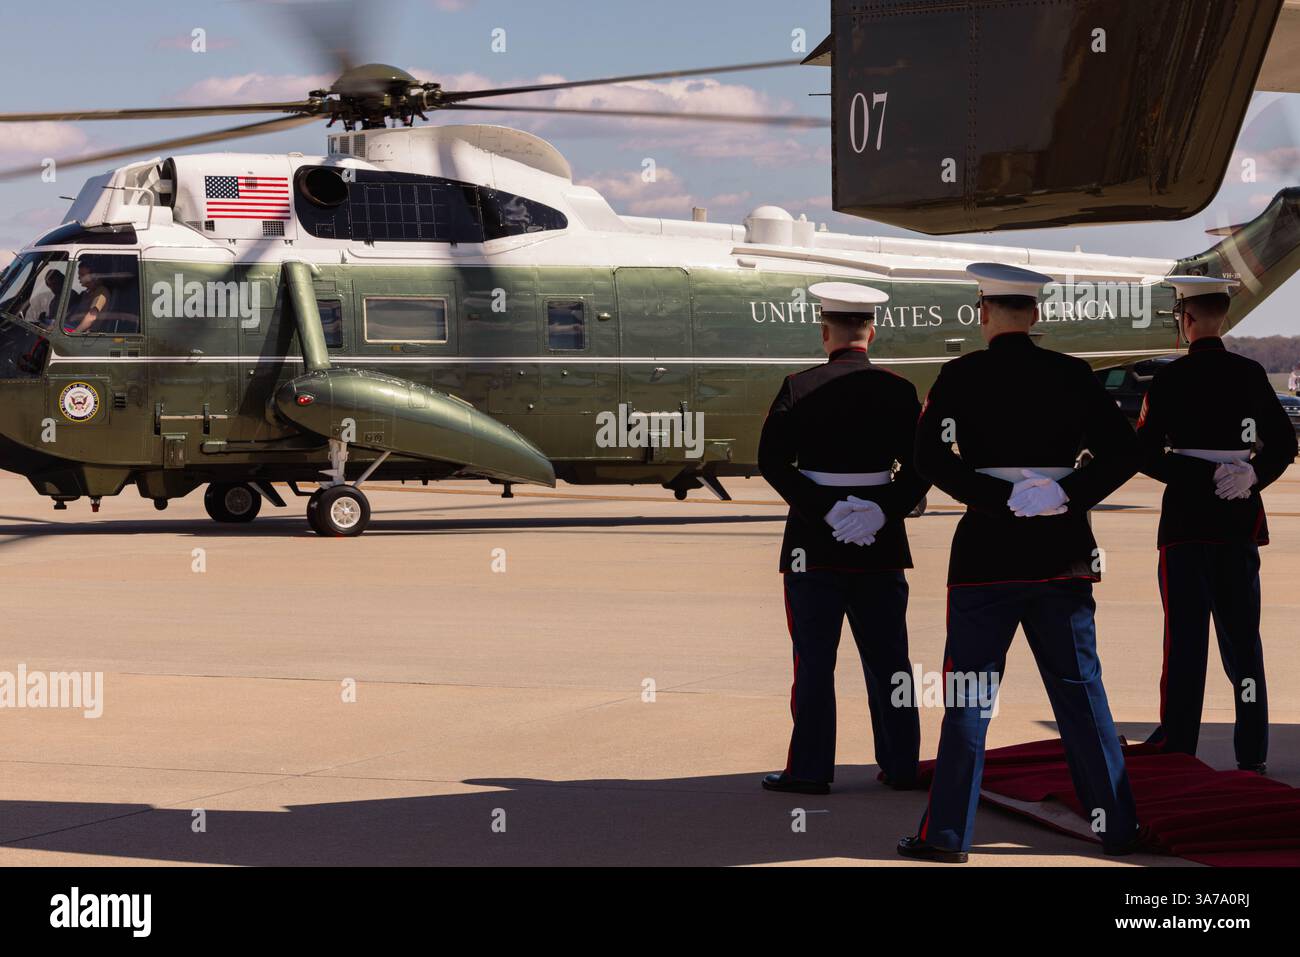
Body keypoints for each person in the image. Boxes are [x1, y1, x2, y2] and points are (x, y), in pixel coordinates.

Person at [897, 262, 1141, 863]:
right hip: (1061, 553)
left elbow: (928, 457)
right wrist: (1065, 493)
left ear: (984, 314)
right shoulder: (1072, 375)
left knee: (971, 696)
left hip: (987, 553)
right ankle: (1116, 827)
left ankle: (948, 836)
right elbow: (1125, 451)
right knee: (1081, 693)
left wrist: (997, 496)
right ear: (1035, 315)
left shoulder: (959, 374)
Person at [757, 281, 930, 795]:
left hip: (815, 542)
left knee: (814, 660)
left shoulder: (798, 385)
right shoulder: (900, 390)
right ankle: (901, 765)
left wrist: (826, 512)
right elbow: (924, 464)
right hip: (880, 544)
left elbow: (771, 462)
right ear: (870, 333)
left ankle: (809, 770)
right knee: (890, 659)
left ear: (825, 331)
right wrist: (881, 512)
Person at [1136, 276, 1298, 773]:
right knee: (1244, 646)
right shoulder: (1251, 375)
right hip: (1236, 522)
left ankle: (1179, 746)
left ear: (1186, 321)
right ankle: (1252, 753)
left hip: (1186, 523)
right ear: (1222, 317)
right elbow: (1285, 444)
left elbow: (1143, 453)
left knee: (1184, 643)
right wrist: (1249, 475)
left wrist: (1199, 474)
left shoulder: (1168, 380)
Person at [63, 261, 110, 335]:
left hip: (88, 336)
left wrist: (74, 334)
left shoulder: (101, 292)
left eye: (82, 275)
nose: (79, 277)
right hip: (77, 329)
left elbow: (91, 317)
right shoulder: (86, 293)